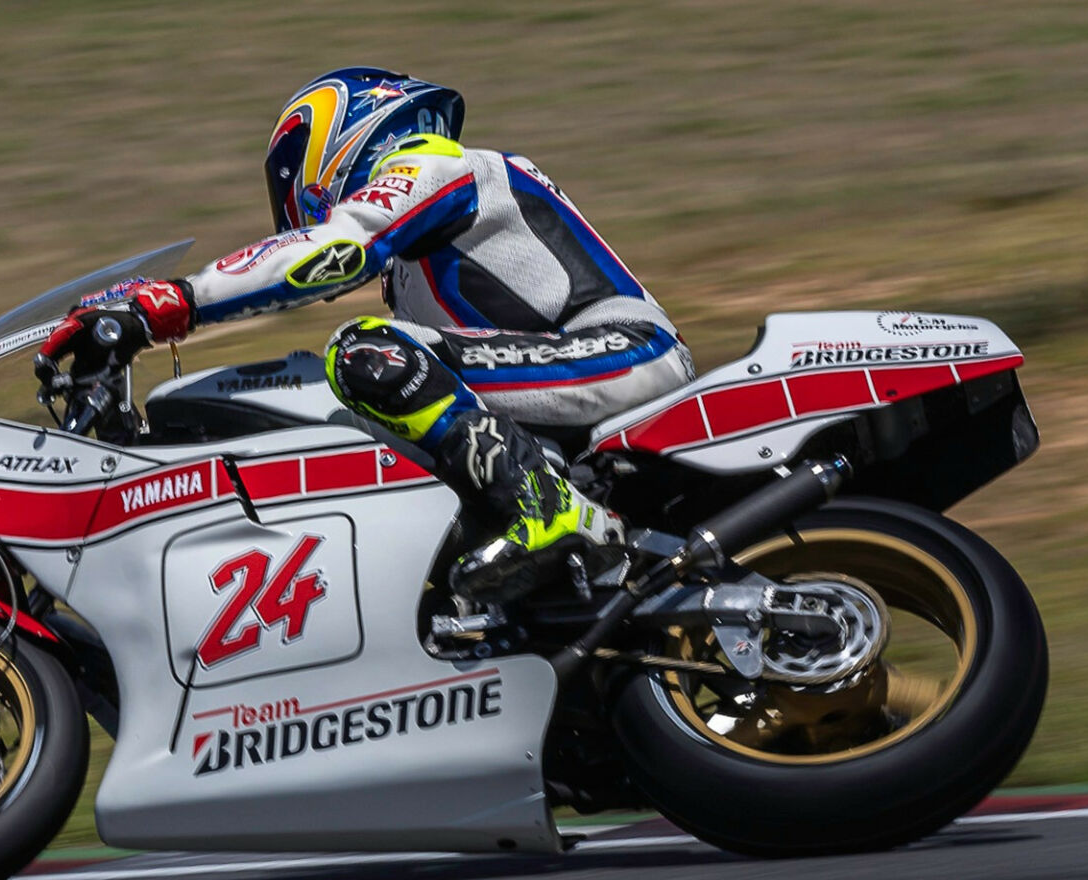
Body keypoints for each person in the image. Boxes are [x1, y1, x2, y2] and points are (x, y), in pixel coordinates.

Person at [41, 67, 694, 601]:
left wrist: (170, 303)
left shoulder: (440, 166)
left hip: (621, 350)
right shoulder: (414, 265)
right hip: (568, 380)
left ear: (338, 139)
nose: (297, 202)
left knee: (368, 352)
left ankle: (547, 509)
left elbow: (336, 248)